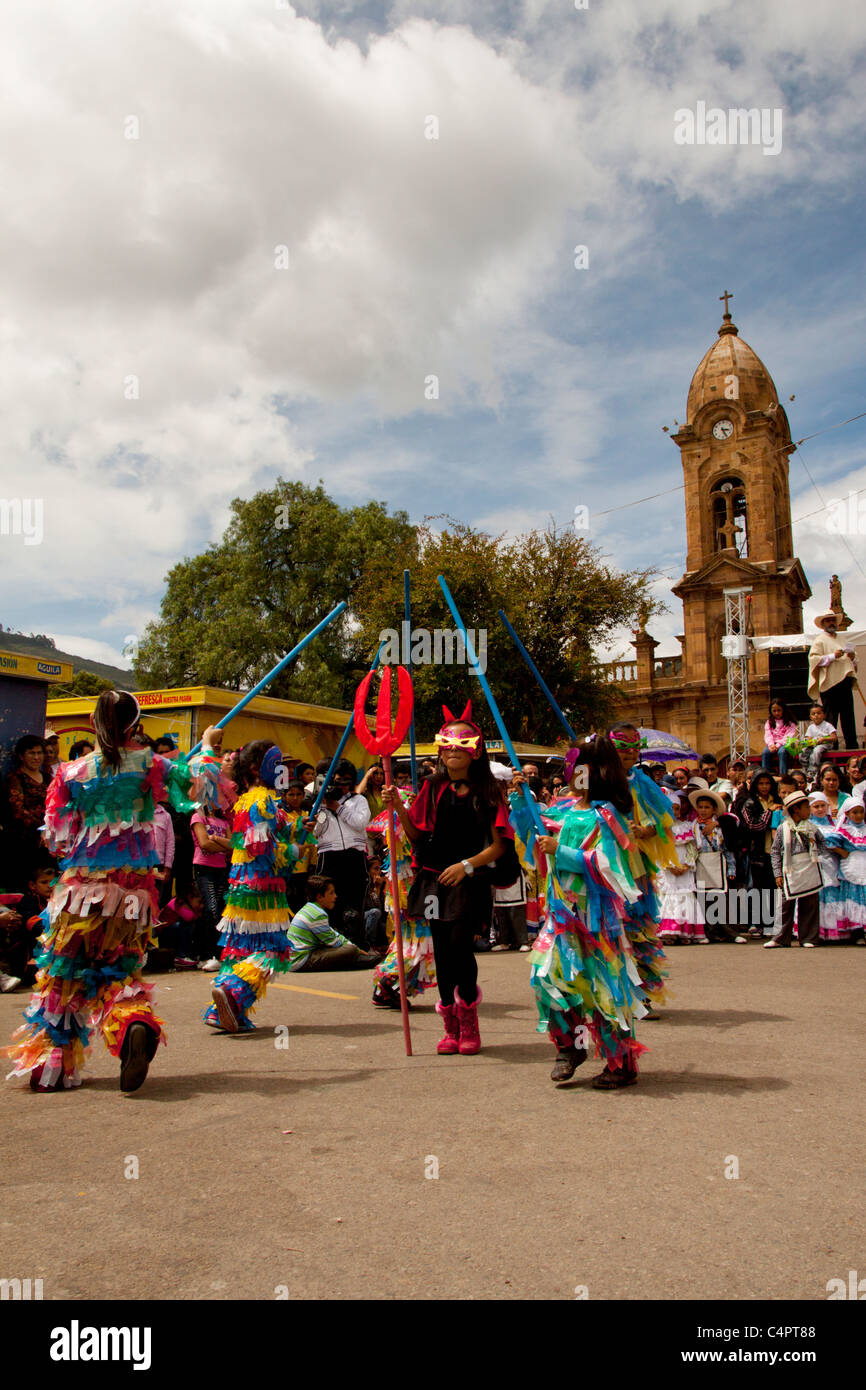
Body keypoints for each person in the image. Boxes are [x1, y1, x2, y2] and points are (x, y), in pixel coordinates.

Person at [4, 691, 205, 1093]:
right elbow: (198, 790)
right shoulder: (151, 763)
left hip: (79, 889)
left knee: (64, 974)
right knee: (118, 967)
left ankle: (51, 1068)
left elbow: (57, 838)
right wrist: (210, 750)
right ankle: (132, 1023)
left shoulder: (70, 772)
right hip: (131, 891)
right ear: (134, 725)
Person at [377, 702, 514, 1055]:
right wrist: (398, 808)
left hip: (469, 881)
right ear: (440, 749)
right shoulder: (433, 787)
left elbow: (500, 845)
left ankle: (469, 1020)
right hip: (434, 882)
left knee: (460, 948)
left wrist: (466, 866)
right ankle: (450, 1026)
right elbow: (418, 834)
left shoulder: (488, 791)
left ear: (476, 750)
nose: (454, 751)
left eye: (462, 745)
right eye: (448, 745)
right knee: (441, 950)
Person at [513, 738, 649, 1088]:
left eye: (577, 767)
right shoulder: (564, 808)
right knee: (549, 982)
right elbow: (533, 833)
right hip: (560, 916)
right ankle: (570, 1048)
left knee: (605, 989)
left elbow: (611, 867)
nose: (571, 773)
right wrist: (521, 800)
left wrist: (564, 851)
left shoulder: (608, 815)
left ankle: (621, 1063)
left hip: (597, 919)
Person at [203, 740, 314, 1034]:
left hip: (243, 887)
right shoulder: (262, 800)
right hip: (262, 890)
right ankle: (231, 990)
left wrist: (299, 829)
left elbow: (272, 833)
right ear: (257, 768)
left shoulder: (250, 799)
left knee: (243, 950)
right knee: (273, 951)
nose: (283, 771)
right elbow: (260, 847)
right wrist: (294, 853)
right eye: (278, 765)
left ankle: (224, 1009)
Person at [312, 760, 371, 946]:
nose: (343, 786)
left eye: (347, 781)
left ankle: (358, 944)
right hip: (329, 855)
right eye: (338, 781)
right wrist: (322, 809)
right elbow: (317, 831)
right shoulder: (321, 802)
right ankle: (331, 943)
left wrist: (338, 808)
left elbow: (360, 823)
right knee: (328, 901)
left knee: (354, 900)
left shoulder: (359, 800)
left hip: (354, 856)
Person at [764, 792, 828, 949]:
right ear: (796, 810)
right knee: (785, 907)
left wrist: (814, 852)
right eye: (807, 807)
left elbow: (822, 843)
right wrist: (778, 873)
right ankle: (780, 938)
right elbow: (775, 851)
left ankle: (809, 938)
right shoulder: (783, 829)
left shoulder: (812, 828)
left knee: (810, 904)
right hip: (790, 869)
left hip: (809, 868)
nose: (809, 810)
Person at [288, 876, 379, 971]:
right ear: (319, 897)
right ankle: (357, 960)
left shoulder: (311, 909)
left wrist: (353, 947)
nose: (335, 896)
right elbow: (333, 942)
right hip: (301, 961)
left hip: (301, 956)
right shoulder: (317, 914)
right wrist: (355, 950)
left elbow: (332, 934)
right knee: (349, 950)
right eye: (331, 893)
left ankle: (357, 958)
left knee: (349, 948)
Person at [690, 789, 745, 943]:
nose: (703, 810)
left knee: (722, 901)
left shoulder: (721, 826)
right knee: (704, 900)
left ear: (713, 809)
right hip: (701, 864)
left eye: (707, 807)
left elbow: (727, 849)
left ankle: (731, 932)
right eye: (700, 807)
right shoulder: (693, 827)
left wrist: (731, 868)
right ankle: (710, 933)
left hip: (717, 863)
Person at [737, 771, 782, 936]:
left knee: (772, 887)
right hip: (757, 850)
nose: (764, 787)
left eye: (767, 783)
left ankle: (771, 923)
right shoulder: (750, 803)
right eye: (761, 783)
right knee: (757, 888)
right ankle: (757, 923)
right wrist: (770, 812)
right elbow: (753, 826)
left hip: (774, 849)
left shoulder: (777, 800)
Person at [1, 735, 50, 890]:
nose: (36, 757)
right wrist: (43, 827)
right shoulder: (16, 779)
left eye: (39, 753)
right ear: (21, 756)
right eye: (31, 753)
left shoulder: (48, 778)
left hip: (47, 841)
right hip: (23, 842)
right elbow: (18, 811)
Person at [0, 860, 56, 990]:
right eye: (44, 882)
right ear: (32, 885)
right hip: (31, 954)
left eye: (53, 882)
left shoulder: (59, 899)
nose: (49, 886)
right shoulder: (28, 901)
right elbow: (34, 925)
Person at [808, 610, 859, 750]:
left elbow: (853, 663)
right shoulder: (820, 640)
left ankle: (852, 745)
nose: (831, 623)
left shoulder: (842, 639)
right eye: (828, 620)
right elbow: (813, 660)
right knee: (831, 718)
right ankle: (831, 746)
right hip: (830, 684)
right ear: (823, 623)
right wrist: (832, 656)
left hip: (844, 681)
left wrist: (852, 658)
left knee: (848, 716)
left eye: (833, 620)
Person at [657, 793, 703, 944]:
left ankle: (685, 931)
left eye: (677, 809)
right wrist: (670, 866)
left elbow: (692, 848)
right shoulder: (660, 828)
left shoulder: (686, 826)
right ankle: (669, 932)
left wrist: (687, 864)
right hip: (668, 869)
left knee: (685, 896)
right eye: (670, 809)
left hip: (683, 869)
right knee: (669, 896)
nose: (674, 812)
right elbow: (658, 850)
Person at [825, 798, 866, 943]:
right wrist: (843, 852)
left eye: (861, 812)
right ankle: (857, 932)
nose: (859, 815)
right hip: (851, 866)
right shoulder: (844, 829)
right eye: (855, 812)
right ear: (847, 813)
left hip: (864, 864)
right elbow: (829, 842)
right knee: (853, 898)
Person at [807, 793, 847, 941]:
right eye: (816, 806)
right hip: (815, 864)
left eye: (823, 805)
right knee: (817, 897)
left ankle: (833, 931)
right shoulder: (808, 825)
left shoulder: (835, 824)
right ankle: (815, 932)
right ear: (810, 808)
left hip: (832, 864)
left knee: (831, 895)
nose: (820, 809)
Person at [279, 778, 317, 915]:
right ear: (284, 796)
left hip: (304, 868)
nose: (295, 798)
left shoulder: (307, 815)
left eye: (298, 794)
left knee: (301, 904)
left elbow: (312, 841)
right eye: (291, 794)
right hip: (288, 866)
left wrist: (313, 862)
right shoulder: (281, 816)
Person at [762, 699, 797, 776]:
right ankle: (765, 775)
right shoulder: (769, 722)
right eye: (774, 711)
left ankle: (783, 775)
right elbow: (768, 735)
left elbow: (788, 737)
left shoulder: (790, 723)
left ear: (783, 710)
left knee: (782, 752)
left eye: (779, 710)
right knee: (765, 753)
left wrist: (777, 745)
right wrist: (771, 745)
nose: (777, 713)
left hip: (784, 744)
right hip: (772, 745)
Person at [804, 703, 837, 781]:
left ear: (824, 715)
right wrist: (810, 742)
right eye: (813, 714)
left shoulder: (828, 725)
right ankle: (806, 767)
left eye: (819, 713)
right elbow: (809, 739)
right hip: (815, 744)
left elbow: (834, 737)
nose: (816, 715)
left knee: (817, 751)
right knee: (804, 751)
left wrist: (823, 739)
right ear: (810, 717)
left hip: (826, 744)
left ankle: (813, 770)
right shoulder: (811, 727)